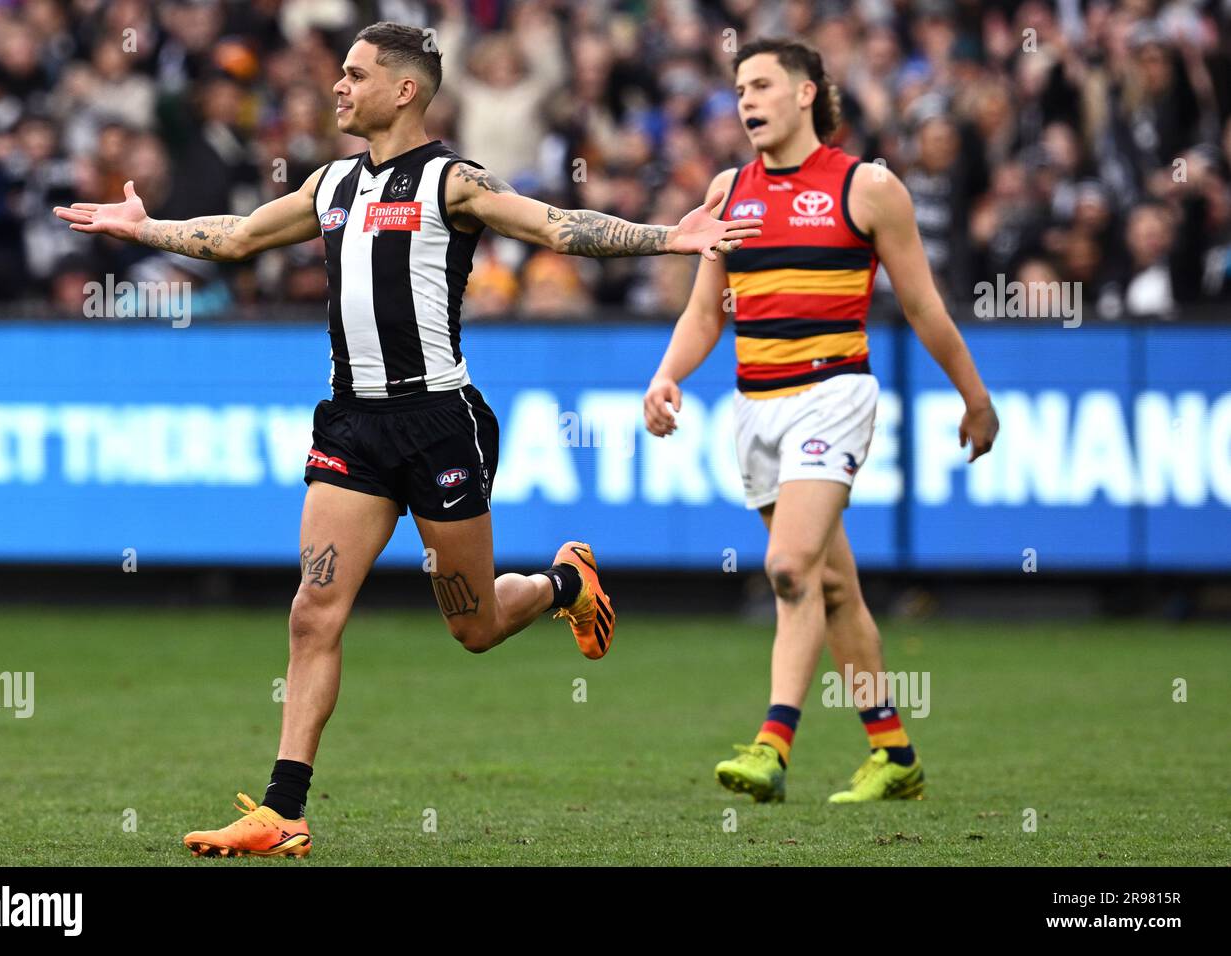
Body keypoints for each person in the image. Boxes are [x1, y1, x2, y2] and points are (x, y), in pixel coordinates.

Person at [54, 21, 761, 856]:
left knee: (474, 629)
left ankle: (565, 583)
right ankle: (284, 809)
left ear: (405, 89)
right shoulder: (331, 183)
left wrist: (665, 237)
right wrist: (144, 229)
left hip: (439, 426)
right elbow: (240, 236)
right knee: (314, 612)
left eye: (354, 75)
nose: (337, 87)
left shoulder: (450, 181)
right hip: (353, 423)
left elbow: (551, 225)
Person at [642, 37, 999, 804]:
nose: (746, 100)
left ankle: (773, 744)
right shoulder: (727, 189)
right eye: (739, 87)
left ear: (807, 94)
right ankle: (893, 751)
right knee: (833, 588)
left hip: (833, 395)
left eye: (763, 84)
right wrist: (667, 375)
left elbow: (924, 307)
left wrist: (975, 396)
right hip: (755, 407)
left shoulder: (867, 187)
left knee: (788, 569)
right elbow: (705, 314)